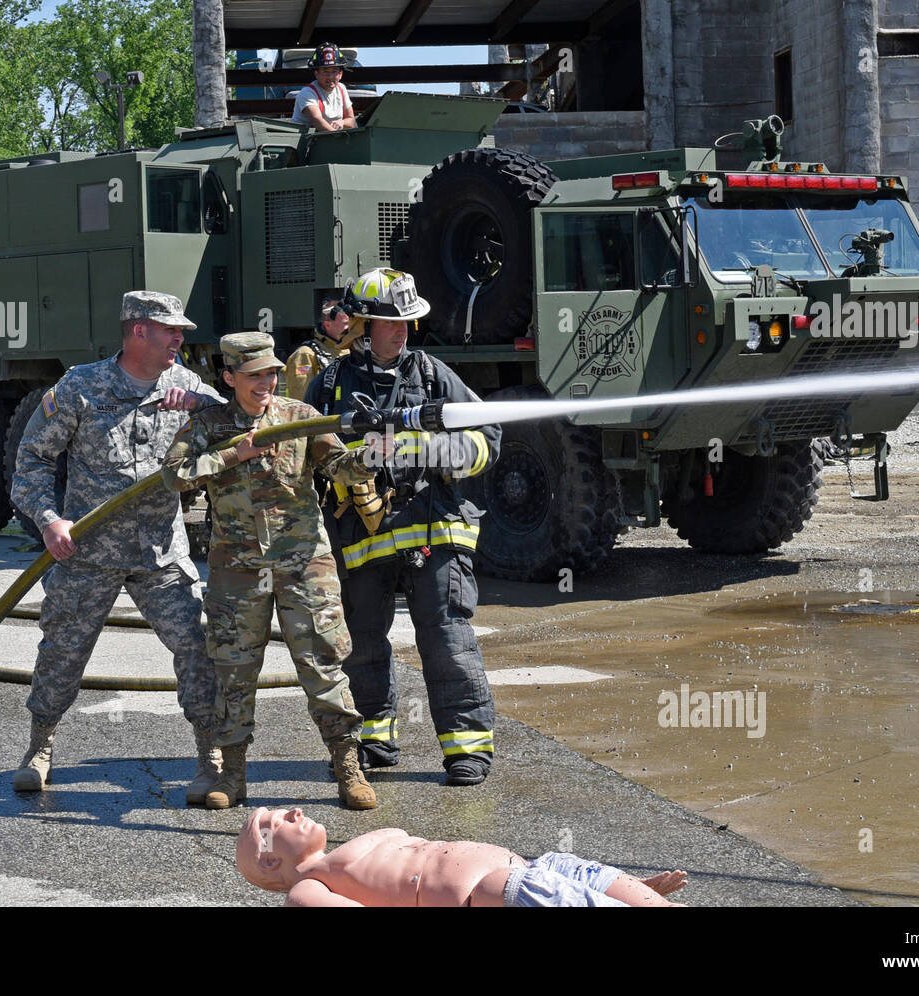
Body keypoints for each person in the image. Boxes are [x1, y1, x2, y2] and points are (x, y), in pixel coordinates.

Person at [10, 290, 223, 801]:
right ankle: (40, 747)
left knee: (197, 645)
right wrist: (48, 519)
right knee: (62, 649)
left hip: (160, 553)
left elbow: (238, 427)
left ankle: (211, 754)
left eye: (181, 332)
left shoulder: (186, 384)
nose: (179, 338)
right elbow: (32, 460)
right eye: (170, 330)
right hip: (87, 553)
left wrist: (200, 407)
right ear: (137, 331)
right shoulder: (82, 387)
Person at [161, 331, 387, 811]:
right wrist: (231, 454)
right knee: (234, 672)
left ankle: (348, 767)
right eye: (254, 375)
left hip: (304, 563)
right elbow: (173, 476)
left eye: (271, 374)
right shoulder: (210, 423)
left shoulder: (299, 418)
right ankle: (233, 774)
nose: (265, 382)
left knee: (322, 664)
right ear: (229, 378)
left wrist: (372, 455)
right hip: (237, 570)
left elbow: (341, 469)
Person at [304, 268, 501, 787]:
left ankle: (467, 748)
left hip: (434, 533)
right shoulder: (328, 386)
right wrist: (350, 462)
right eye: (391, 323)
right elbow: (304, 449)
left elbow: (488, 440)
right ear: (363, 325)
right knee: (363, 644)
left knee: (447, 639)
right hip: (360, 536)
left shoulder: (435, 377)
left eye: (408, 322)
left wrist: (425, 448)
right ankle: (373, 741)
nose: (402, 332)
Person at [237, 807, 689, 907]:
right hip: (492, 891)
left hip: (537, 870)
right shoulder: (307, 890)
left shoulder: (367, 841)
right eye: (269, 824)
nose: (290, 812)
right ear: (269, 862)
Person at [282, 296, 360, 401]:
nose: (350, 329)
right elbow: (301, 402)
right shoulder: (306, 355)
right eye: (346, 324)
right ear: (327, 325)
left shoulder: (354, 350)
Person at [290, 42, 355, 133]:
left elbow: (351, 120)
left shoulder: (341, 88)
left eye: (334, 71)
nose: (330, 77)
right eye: (326, 71)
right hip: (305, 143)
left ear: (340, 74)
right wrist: (338, 138)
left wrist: (342, 122)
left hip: (329, 139)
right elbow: (317, 121)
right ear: (316, 73)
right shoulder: (307, 93)